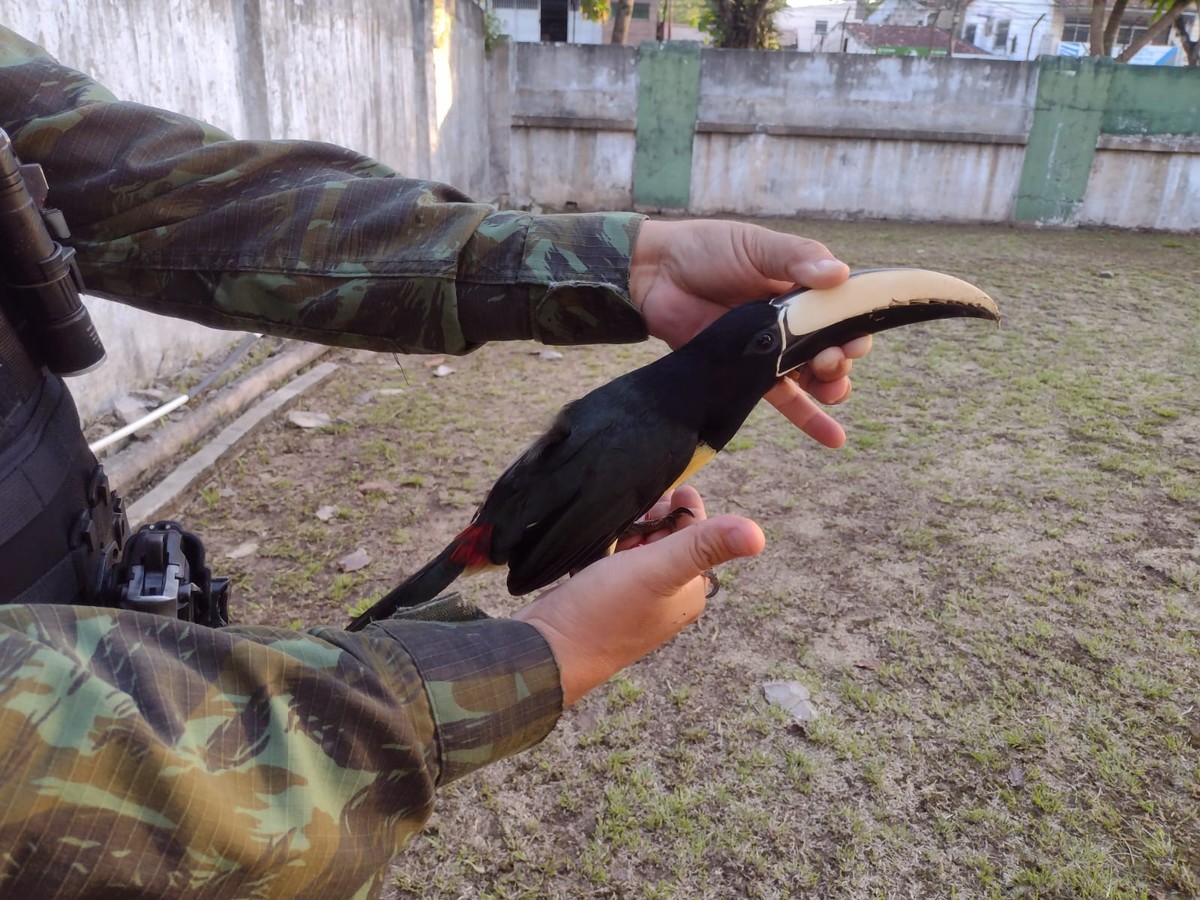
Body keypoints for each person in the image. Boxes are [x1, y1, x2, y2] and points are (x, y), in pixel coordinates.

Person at [0, 25, 871, 898]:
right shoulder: (664, 425)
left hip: (88, 575)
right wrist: (548, 650)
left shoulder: (687, 406)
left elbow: (136, 182)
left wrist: (628, 261)